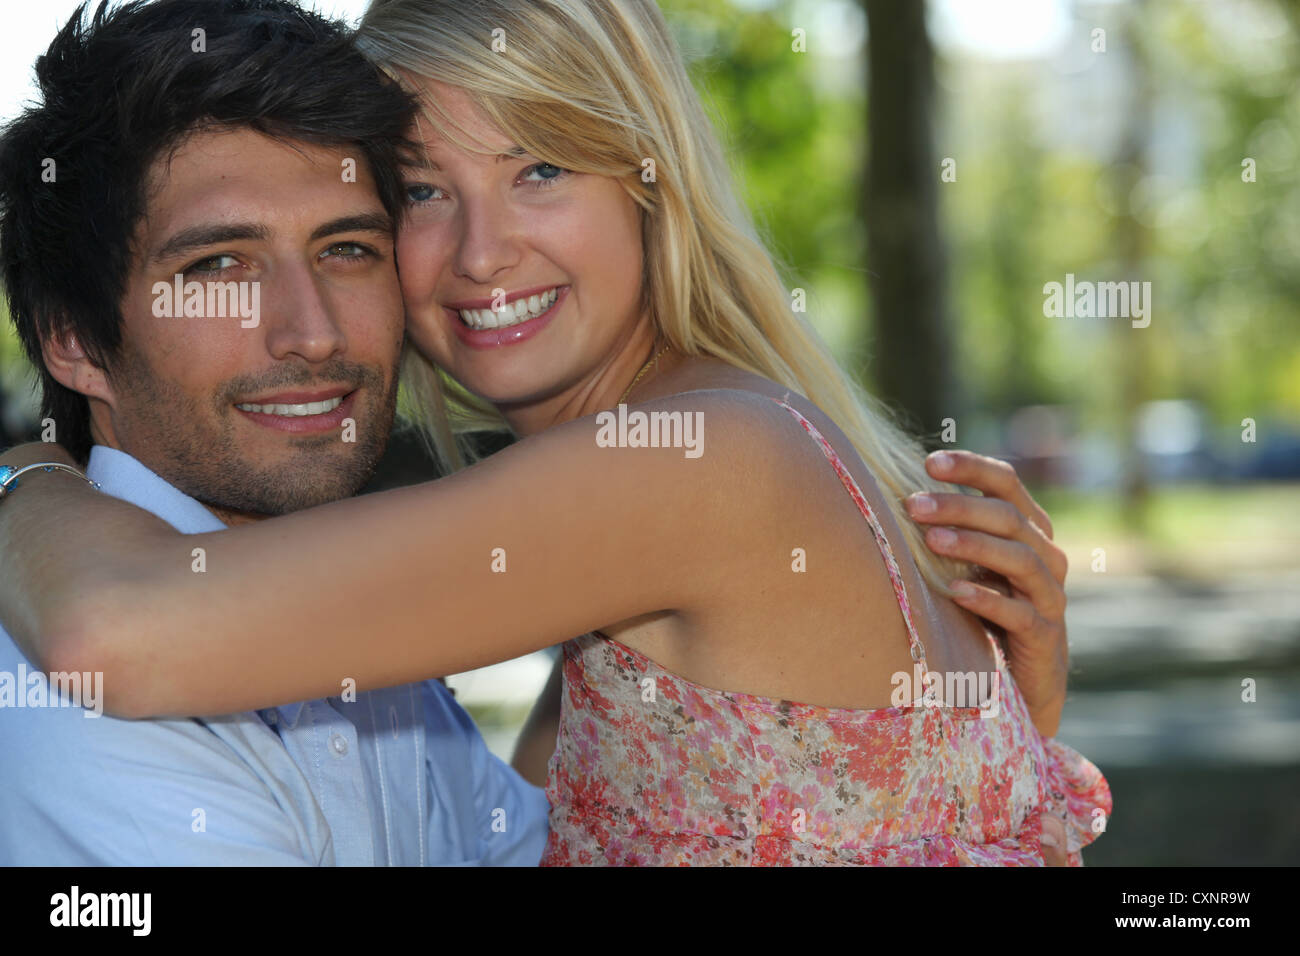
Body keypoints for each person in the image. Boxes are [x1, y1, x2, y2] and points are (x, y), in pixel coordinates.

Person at [0, 0, 1110, 865]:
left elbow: (108, 632)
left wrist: (26, 467)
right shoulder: (693, 473)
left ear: (650, 181)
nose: (483, 253)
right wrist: (988, 728)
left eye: (540, 167)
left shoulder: (691, 466)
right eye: (424, 191)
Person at [0, 0, 548, 866]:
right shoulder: (70, 706)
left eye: (348, 250)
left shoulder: (350, 611)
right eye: (218, 267)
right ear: (73, 338)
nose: (313, 332)